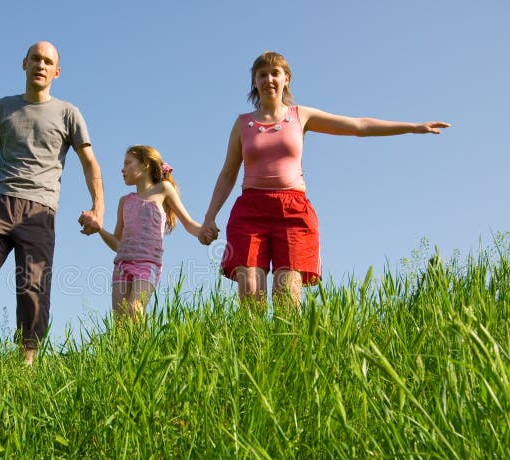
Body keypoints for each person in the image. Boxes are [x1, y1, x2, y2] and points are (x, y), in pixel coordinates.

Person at [198, 50, 449, 310]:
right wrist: (209, 217)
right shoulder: (243, 124)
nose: (268, 79)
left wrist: (412, 127)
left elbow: (358, 126)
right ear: (254, 81)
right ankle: (251, 337)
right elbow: (228, 173)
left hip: (293, 211)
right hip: (250, 211)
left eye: (275, 73)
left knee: (287, 294)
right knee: (250, 290)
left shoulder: (300, 116)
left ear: (286, 79)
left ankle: (288, 338)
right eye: (262, 75)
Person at [0, 41, 104, 363]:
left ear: (56, 72)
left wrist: (98, 208)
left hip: (40, 209)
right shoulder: (2, 107)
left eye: (48, 62)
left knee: (33, 286)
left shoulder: (68, 113)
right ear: (24, 63)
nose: (41, 65)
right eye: (35, 59)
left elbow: (90, 162)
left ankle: (27, 364)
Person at [94, 145, 202, 318]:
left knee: (134, 309)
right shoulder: (124, 202)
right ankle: (131, 339)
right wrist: (98, 229)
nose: (122, 169)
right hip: (122, 264)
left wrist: (203, 231)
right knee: (120, 320)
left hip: (147, 263)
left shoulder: (163, 189)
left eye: (128, 163)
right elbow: (117, 243)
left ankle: (144, 337)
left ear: (145, 164)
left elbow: (188, 223)